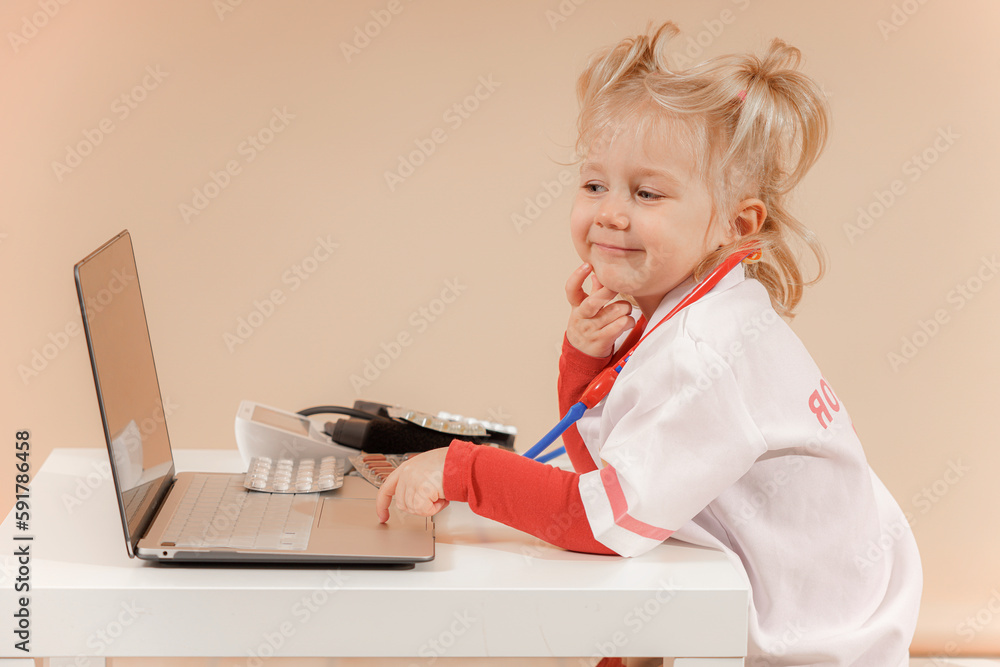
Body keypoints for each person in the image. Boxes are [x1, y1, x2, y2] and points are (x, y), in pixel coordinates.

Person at [375, 21, 922, 666]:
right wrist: (587, 357)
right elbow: (610, 460)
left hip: (807, 647)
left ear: (735, 223)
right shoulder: (707, 311)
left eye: (647, 192)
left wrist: (459, 469)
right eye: (594, 185)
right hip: (822, 605)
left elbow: (597, 519)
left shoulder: (704, 350)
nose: (610, 212)